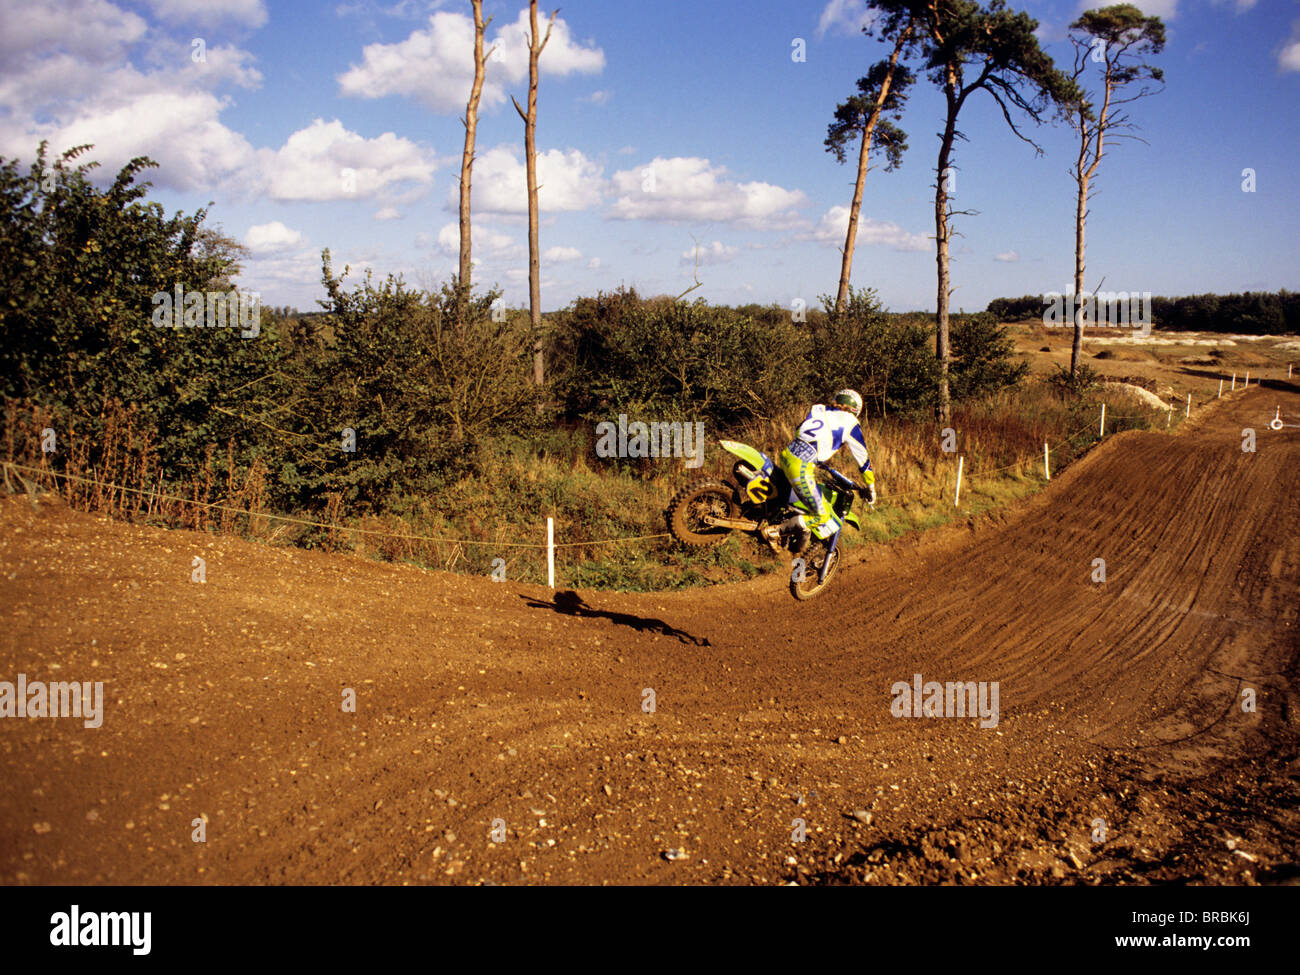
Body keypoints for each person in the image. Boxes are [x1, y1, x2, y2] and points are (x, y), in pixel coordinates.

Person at [777, 389, 875, 555]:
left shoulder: (819, 409)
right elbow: (863, 459)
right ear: (855, 409)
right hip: (801, 466)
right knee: (821, 516)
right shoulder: (851, 423)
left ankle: (783, 527)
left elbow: (799, 430)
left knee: (791, 501)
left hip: (787, 455)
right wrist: (871, 487)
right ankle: (775, 532)